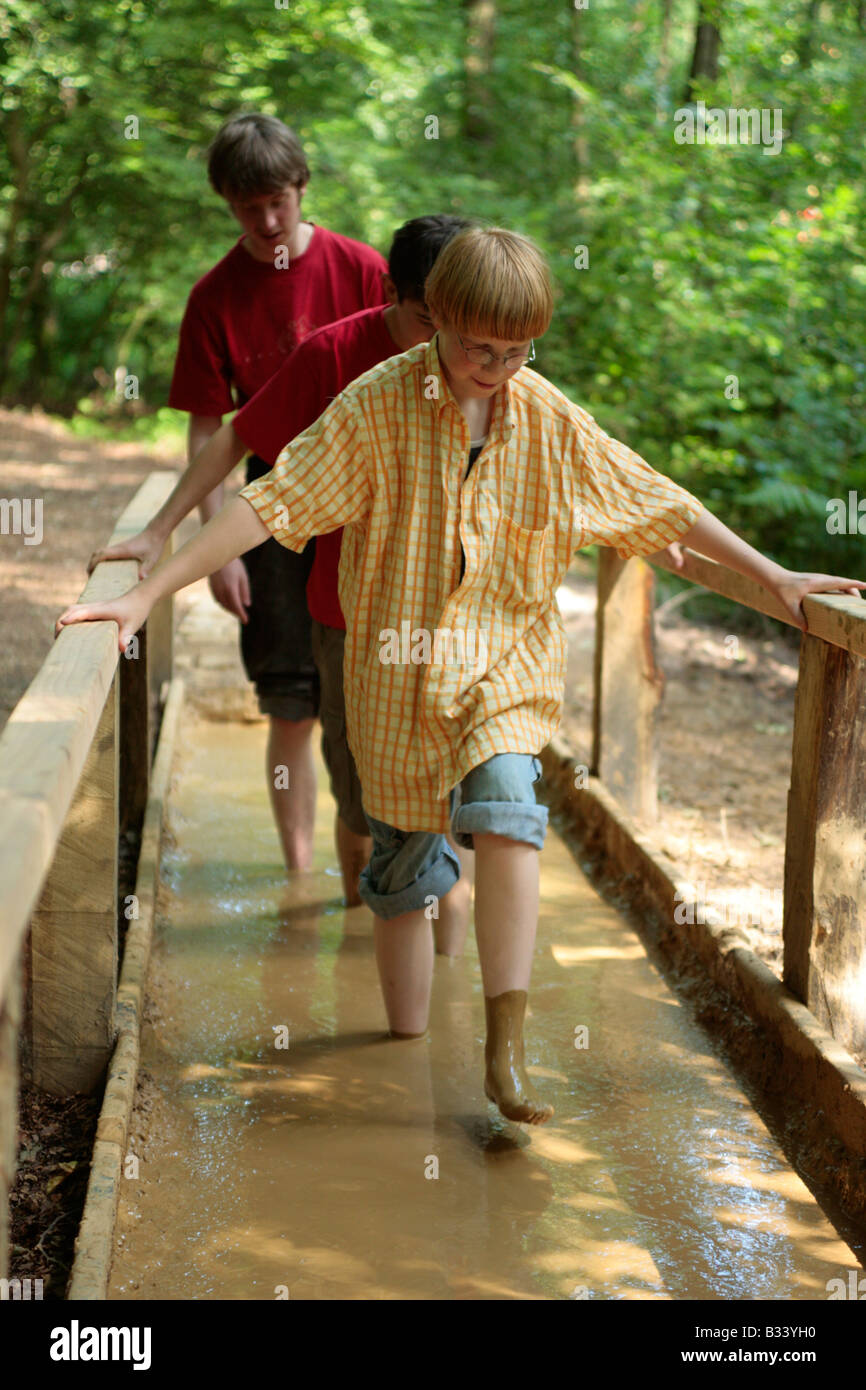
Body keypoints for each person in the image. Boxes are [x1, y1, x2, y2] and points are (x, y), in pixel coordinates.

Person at [56, 226, 866, 1126]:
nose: (499, 366)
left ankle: (503, 1048)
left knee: (512, 813)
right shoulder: (375, 405)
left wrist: (778, 579)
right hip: (395, 680)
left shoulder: (549, 418)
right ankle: (411, 1041)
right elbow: (265, 504)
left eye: (519, 351)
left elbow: (656, 501)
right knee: (402, 884)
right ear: (435, 320)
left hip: (505, 669)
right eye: (481, 347)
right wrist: (146, 594)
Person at [88, 214, 474, 938]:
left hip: (451, 617)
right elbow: (240, 440)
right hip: (342, 606)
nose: (450, 340)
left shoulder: (487, 360)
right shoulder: (338, 359)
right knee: (357, 795)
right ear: (394, 295)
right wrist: (160, 537)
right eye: (432, 320)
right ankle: (347, 919)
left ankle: (447, 986)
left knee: (447, 804)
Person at [168, 110, 387, 874]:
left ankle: (379, 865)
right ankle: (299, 873)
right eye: (247, 206)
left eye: (278, 202)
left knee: (378, 679)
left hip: (372, 491)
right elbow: (209, 429)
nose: (266, 220)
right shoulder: (214, 296)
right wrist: (214, 547)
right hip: (272, 501)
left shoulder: (363, 269)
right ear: (227, 203)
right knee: (289, 693)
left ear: (301, 188)